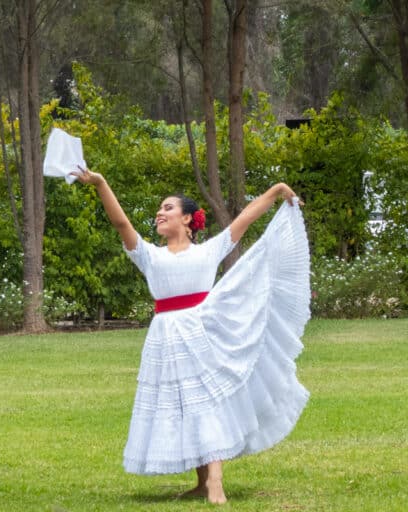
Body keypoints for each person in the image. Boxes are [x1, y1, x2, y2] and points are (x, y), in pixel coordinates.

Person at [72, 166, 310, 504]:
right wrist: (101, 183)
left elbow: (243, 221)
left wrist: (276, 191)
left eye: (168, 208)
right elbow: (121, 224)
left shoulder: (207, 251)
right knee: (183, 405)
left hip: (202, 329)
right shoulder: (149, 256)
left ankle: (215, 480)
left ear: (188, 219)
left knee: (207, 401)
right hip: (165, 336)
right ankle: (201, 481)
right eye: (159, 209)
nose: (160, 213)